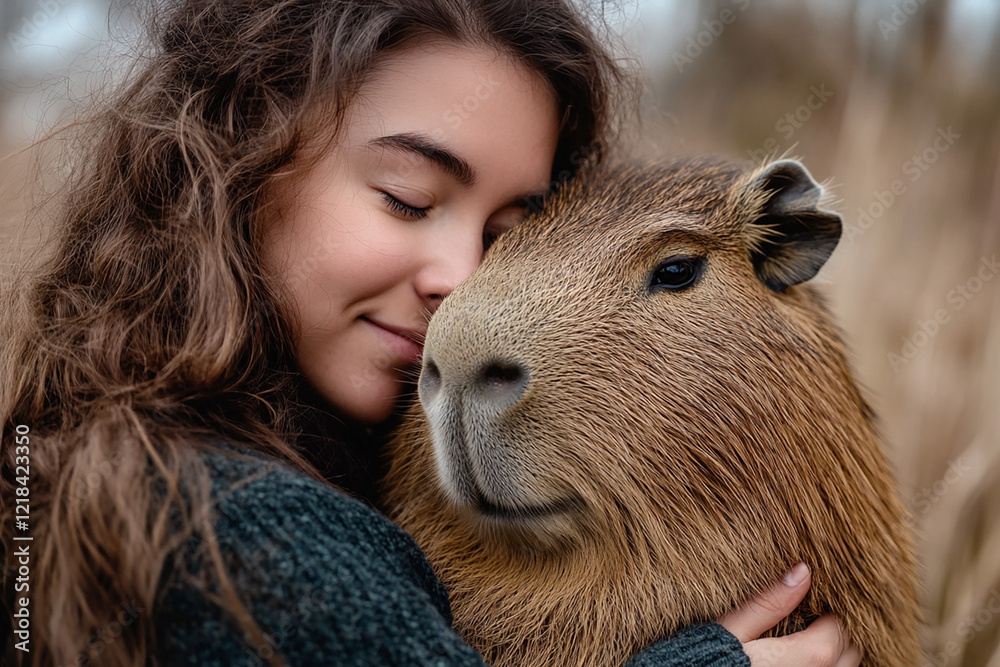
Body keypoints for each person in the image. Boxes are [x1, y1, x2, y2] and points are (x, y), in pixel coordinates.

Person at [0, 1, 861, 665]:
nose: (463, 286)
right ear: (239, 163)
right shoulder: (268, 540)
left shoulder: (107, 438)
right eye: (407, 197)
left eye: (507, 236)